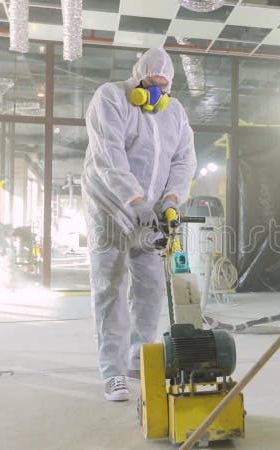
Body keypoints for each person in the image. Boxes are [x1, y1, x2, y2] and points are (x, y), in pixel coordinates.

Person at [82, 48, 196, 402]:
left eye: (164, 86)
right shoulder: (111, 98)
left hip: (152, 215)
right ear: (138, 80)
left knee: (149, 289)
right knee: (110, 287)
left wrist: (172, 200)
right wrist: (134, 198)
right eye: (151, 84)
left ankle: (139, 361)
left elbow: (183, 161)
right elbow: (108, 156)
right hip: (110, 209)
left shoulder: (174, 113)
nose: (157, 94)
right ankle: (112, 372)